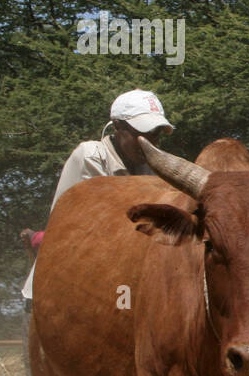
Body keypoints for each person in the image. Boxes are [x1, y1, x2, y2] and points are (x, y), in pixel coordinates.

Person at [21, 89, 174, 302]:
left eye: (155, 134)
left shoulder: (151, 168)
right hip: (61, 288)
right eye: (142, 133)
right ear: (118, 127)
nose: (150, 142)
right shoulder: (92, 156)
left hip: (110, 289)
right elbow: (114, 224)